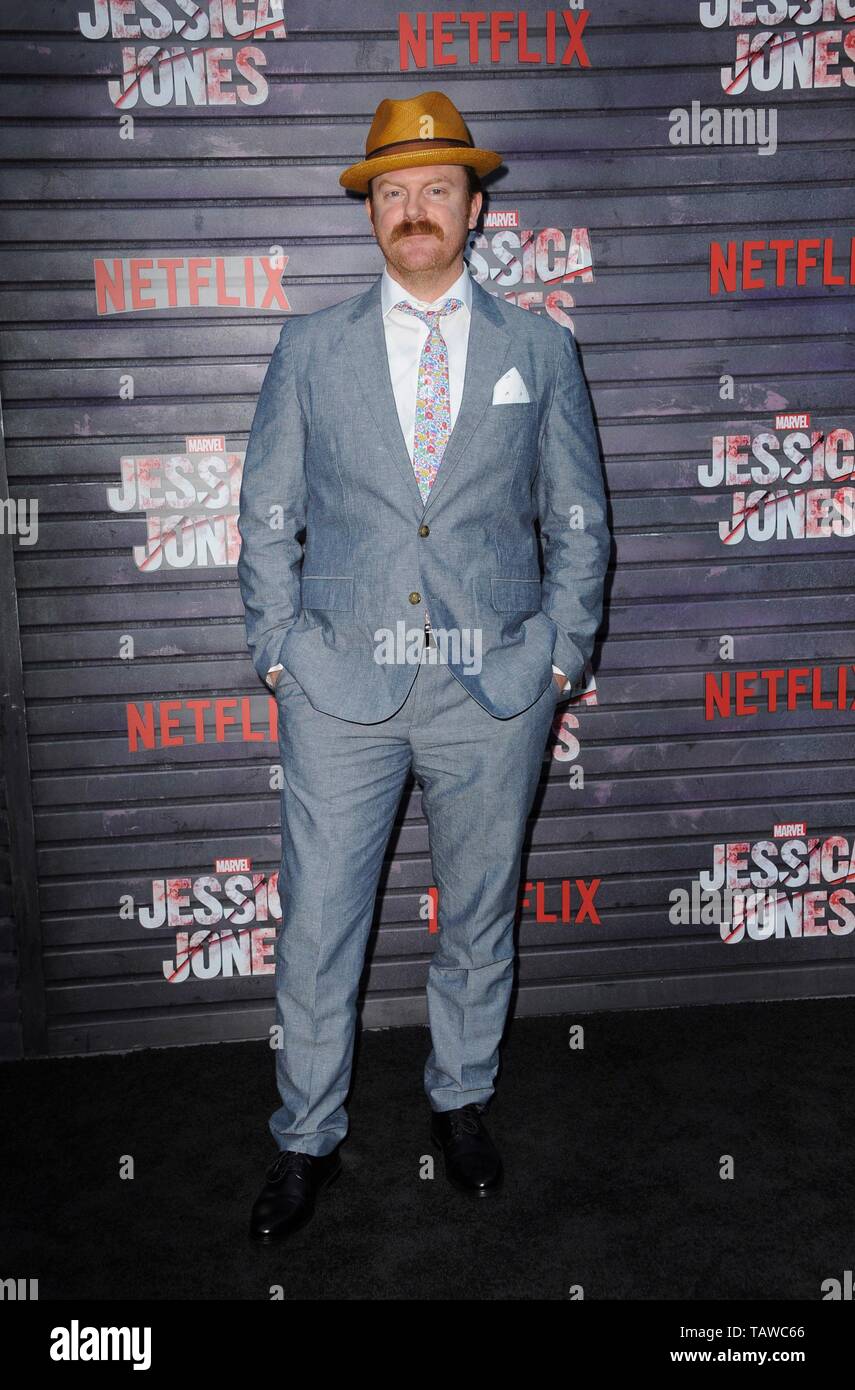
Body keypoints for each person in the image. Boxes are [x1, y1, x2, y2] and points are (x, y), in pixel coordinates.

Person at [237, 89, 611, 1242]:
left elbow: (579, 519)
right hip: (341, 687)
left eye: (435, 189)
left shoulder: (539, 348)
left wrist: (557, 656)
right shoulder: (310, 347)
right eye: (391, 192)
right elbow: (265, 515)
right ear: (370, 212)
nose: (414, 210)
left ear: (474, 204)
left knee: (479, 919)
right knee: (317, 930)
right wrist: (278, 654)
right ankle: (307, 1137)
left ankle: (460, 1101)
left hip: (492, 690)